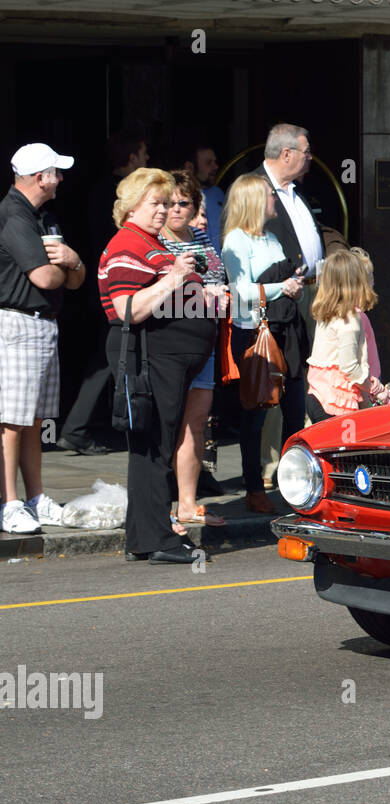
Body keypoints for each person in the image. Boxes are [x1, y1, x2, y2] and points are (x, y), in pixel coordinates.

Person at [99, 168, 218, 562]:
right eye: (156, 203)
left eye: (168, 203)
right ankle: (157, 540)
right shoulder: (127, 244)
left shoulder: (149, 242)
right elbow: (126, 309)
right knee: (152, 446)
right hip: (148, 357)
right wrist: (177, 277)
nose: (165, 210)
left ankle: (145, 536)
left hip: (167, 359)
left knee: (157, 444)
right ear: (132, 206)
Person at [0, 143, 83, 533]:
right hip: (17, 325)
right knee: (12, 420)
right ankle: (10, 502)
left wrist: (72, 262)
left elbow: (77, 276)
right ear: (40, 178)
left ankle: (34, 498)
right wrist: (67, 263)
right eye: (56, 173)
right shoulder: (14, 216)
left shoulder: (42, 216)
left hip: (43, 323)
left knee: (34, 419)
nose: (61, 179)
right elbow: (45, 277)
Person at [59, 131, 149, 457]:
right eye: (143, 154)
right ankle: (84, 427)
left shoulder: (100, 191)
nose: (147, 160)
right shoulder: (113, 196)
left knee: (105, 360)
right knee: (109, 359)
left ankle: (79, 427)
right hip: (115, 287)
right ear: (130, 159)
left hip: (105, 285)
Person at [220, 173, 305, 513]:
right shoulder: (235, 242)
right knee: (255, 411)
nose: (275, 199)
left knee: (294, 411)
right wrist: (282, 287)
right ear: (254, 201)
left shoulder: (271, 237)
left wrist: (295, 283)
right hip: (255, 332)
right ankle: (254, 488)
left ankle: (295, 484)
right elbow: (240, 293)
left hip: (287, 328)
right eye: (270, 195)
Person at [159, 169, 227, 529]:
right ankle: (162, 507)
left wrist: (212, 294)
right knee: (166, 423)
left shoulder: (202, 238)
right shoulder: (156, 240)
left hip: (205, 342)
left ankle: (187, 502)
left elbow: (219, 280)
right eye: (169, 203)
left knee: (195, 424)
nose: (176, 209)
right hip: (169, 343)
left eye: (184, 202)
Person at [256, 122, 327, 434]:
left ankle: (301, 447)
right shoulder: (254, 188)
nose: (310, 159)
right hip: (277, 299)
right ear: (287, 154)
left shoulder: (296, 191)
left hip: (312, 294)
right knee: (277, 378)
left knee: (306, 378)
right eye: (306, 152)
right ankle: (271, 462)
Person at [305, 249, 390, 421]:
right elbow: (349, 366)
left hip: (317, 395)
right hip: (336, 404)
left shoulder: (328, 313)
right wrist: (373, 388)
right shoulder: (350, 320)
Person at [185, 143, 225, 253]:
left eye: (215, 162)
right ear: (190, 167)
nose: (215, 167)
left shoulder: (219, 193)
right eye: (208, 163)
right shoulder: (180, 197)